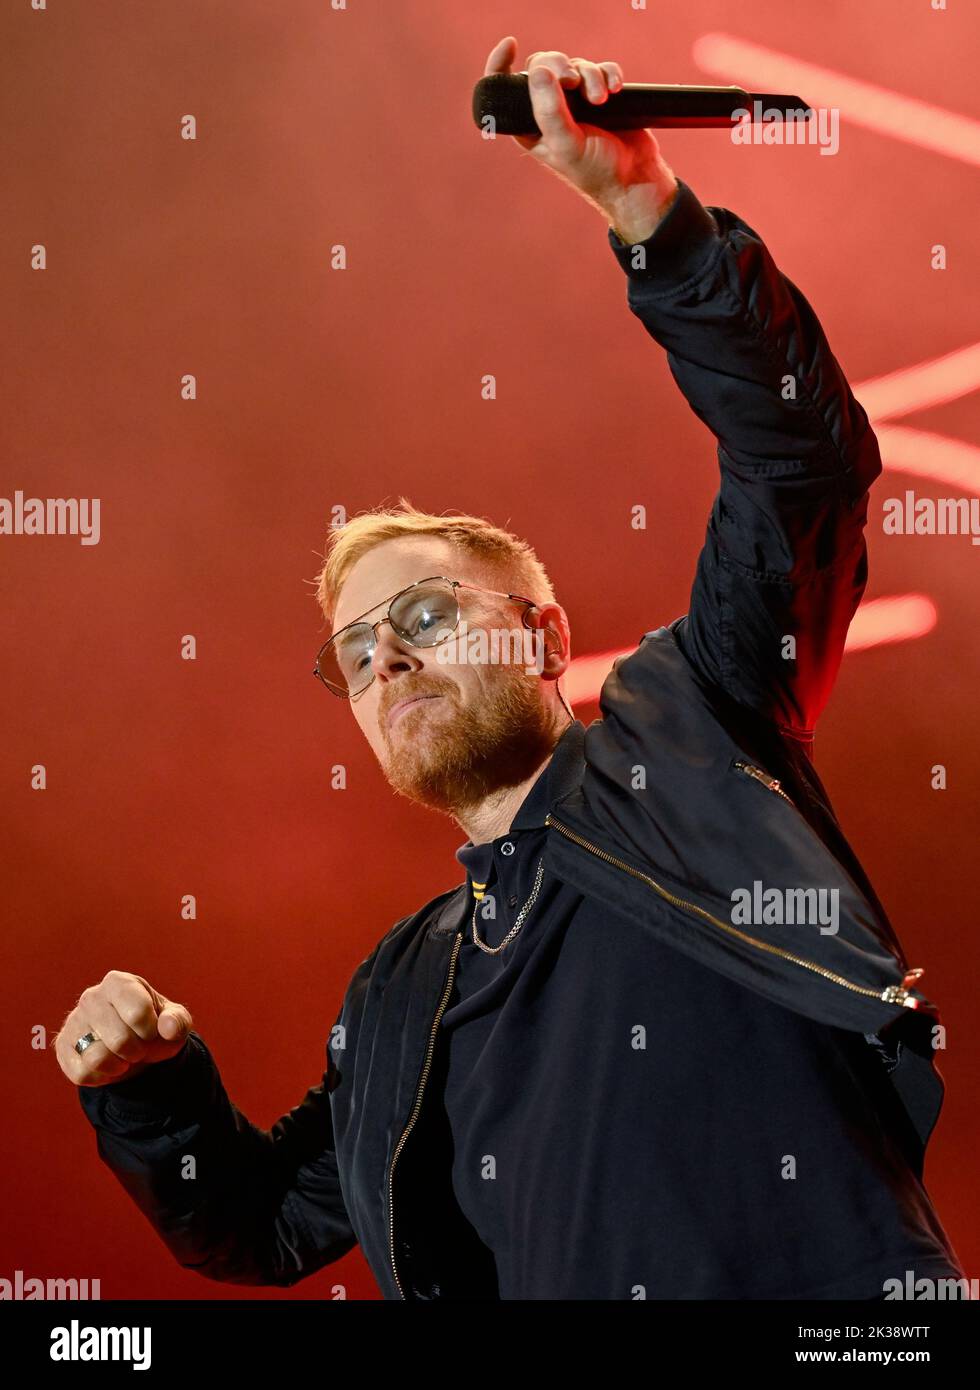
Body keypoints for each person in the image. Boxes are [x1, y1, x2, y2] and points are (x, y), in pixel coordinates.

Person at [57, 36, 967, 1301]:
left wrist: (650, 217)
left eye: (423, 614)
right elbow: (261, 1225)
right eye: (355, 653)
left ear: (542, 640)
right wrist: (147, 1096)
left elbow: (799, 469)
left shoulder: (689, 732)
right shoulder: (400, 989)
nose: (386, 659)